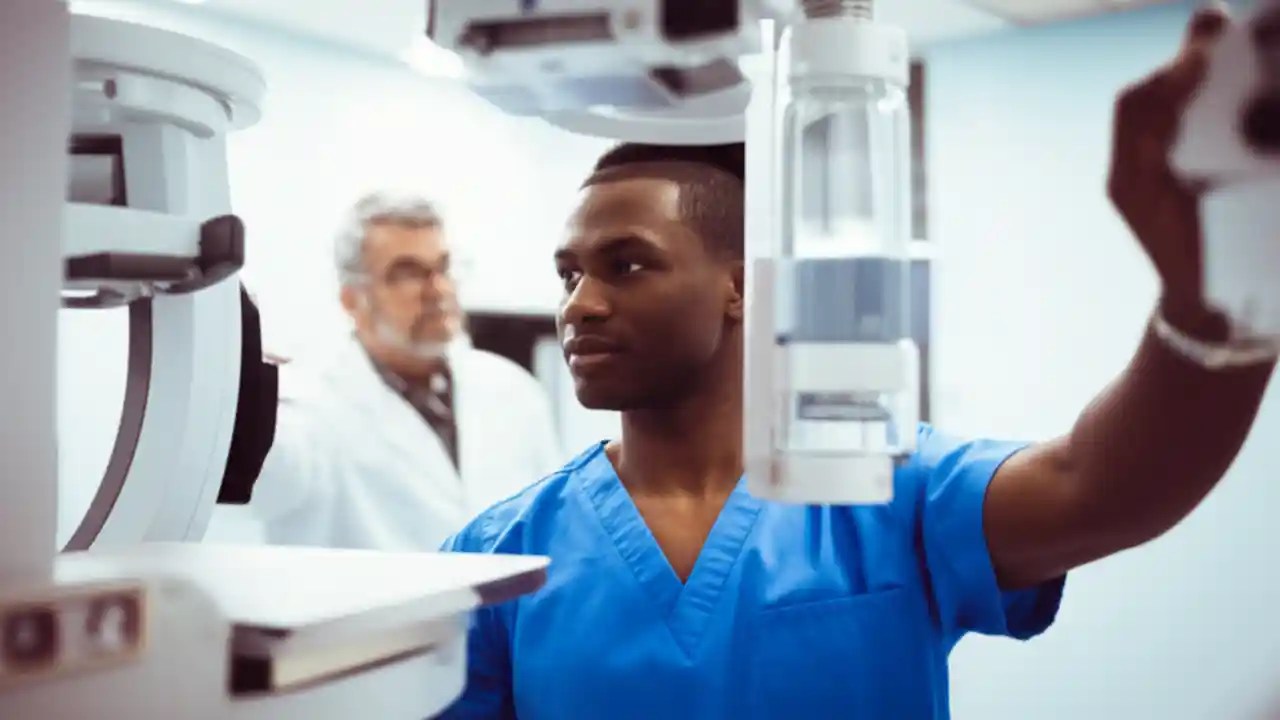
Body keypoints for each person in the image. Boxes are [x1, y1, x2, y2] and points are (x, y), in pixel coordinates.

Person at [440, 8, 1276, 720]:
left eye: (626, 265)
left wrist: (1222, 294)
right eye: (568, 274)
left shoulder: (883, 491)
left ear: (742, 287)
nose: (579, 304)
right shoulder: (498, 557)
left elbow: (1104, 485)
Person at [248, 191, 563, 552]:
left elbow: (550, 526)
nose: (438, 289)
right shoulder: (304, 402)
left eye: (444, 267)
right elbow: (268, 480)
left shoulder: (514, 391)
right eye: (407, 273)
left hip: (508, 609)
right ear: (352, 299)